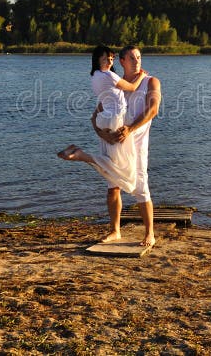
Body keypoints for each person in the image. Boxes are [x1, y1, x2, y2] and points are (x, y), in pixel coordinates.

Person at [57, 46, 148, 225]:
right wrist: (142, 76)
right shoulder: (108, 75)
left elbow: (101, 102)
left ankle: (82, 155)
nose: (109, 61)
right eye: (106, 58)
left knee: (113, 169)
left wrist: (99, 128)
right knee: (124, 170)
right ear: (97, 59)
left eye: (112, 59)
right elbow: (131, 87)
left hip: (103, 119)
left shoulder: (95, 77)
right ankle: (82, 155)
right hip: (114, 120)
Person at [91, 45, 161, 247]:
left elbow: (153, 109)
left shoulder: (150, 81)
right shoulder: (113, 83)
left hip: (136, 144)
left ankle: (149, 234)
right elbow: (95, 116)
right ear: (122, 61)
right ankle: (115, 230)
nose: (137, 60)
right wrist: (101, 133)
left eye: (139, 56)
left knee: (141, 187)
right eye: (132, 57)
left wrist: (130, 129)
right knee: (112, 186)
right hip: (114, 143)